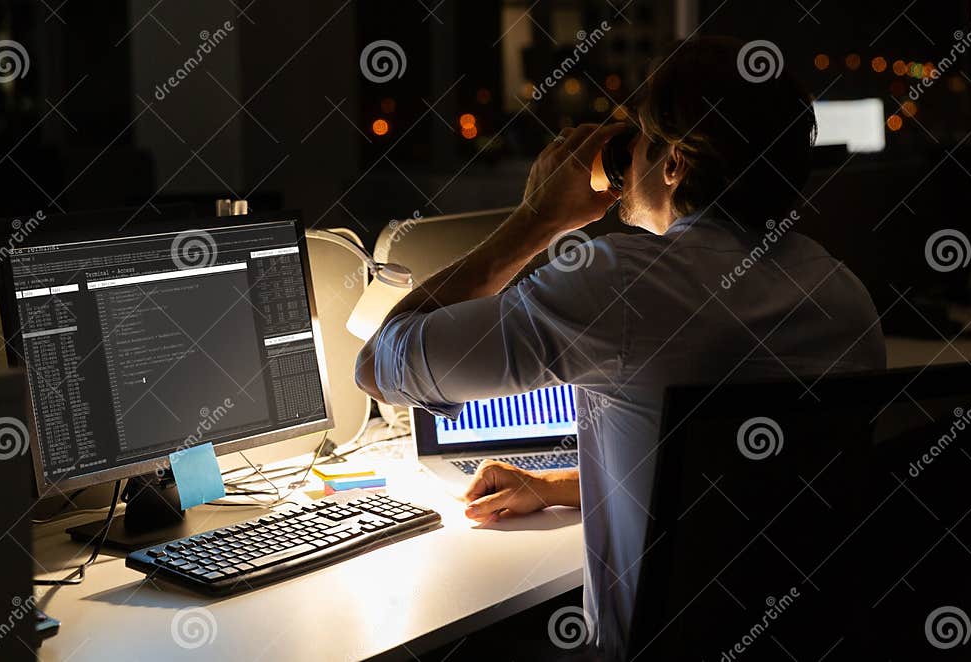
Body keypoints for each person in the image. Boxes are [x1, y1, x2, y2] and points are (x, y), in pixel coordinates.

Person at [355, 36, 886, 659]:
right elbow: (741, 481)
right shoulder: (845, 298)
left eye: (638, 136)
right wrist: (560, 486)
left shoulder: (620, 284)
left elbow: (383, 365)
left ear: (673, 163)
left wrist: (540, 218)